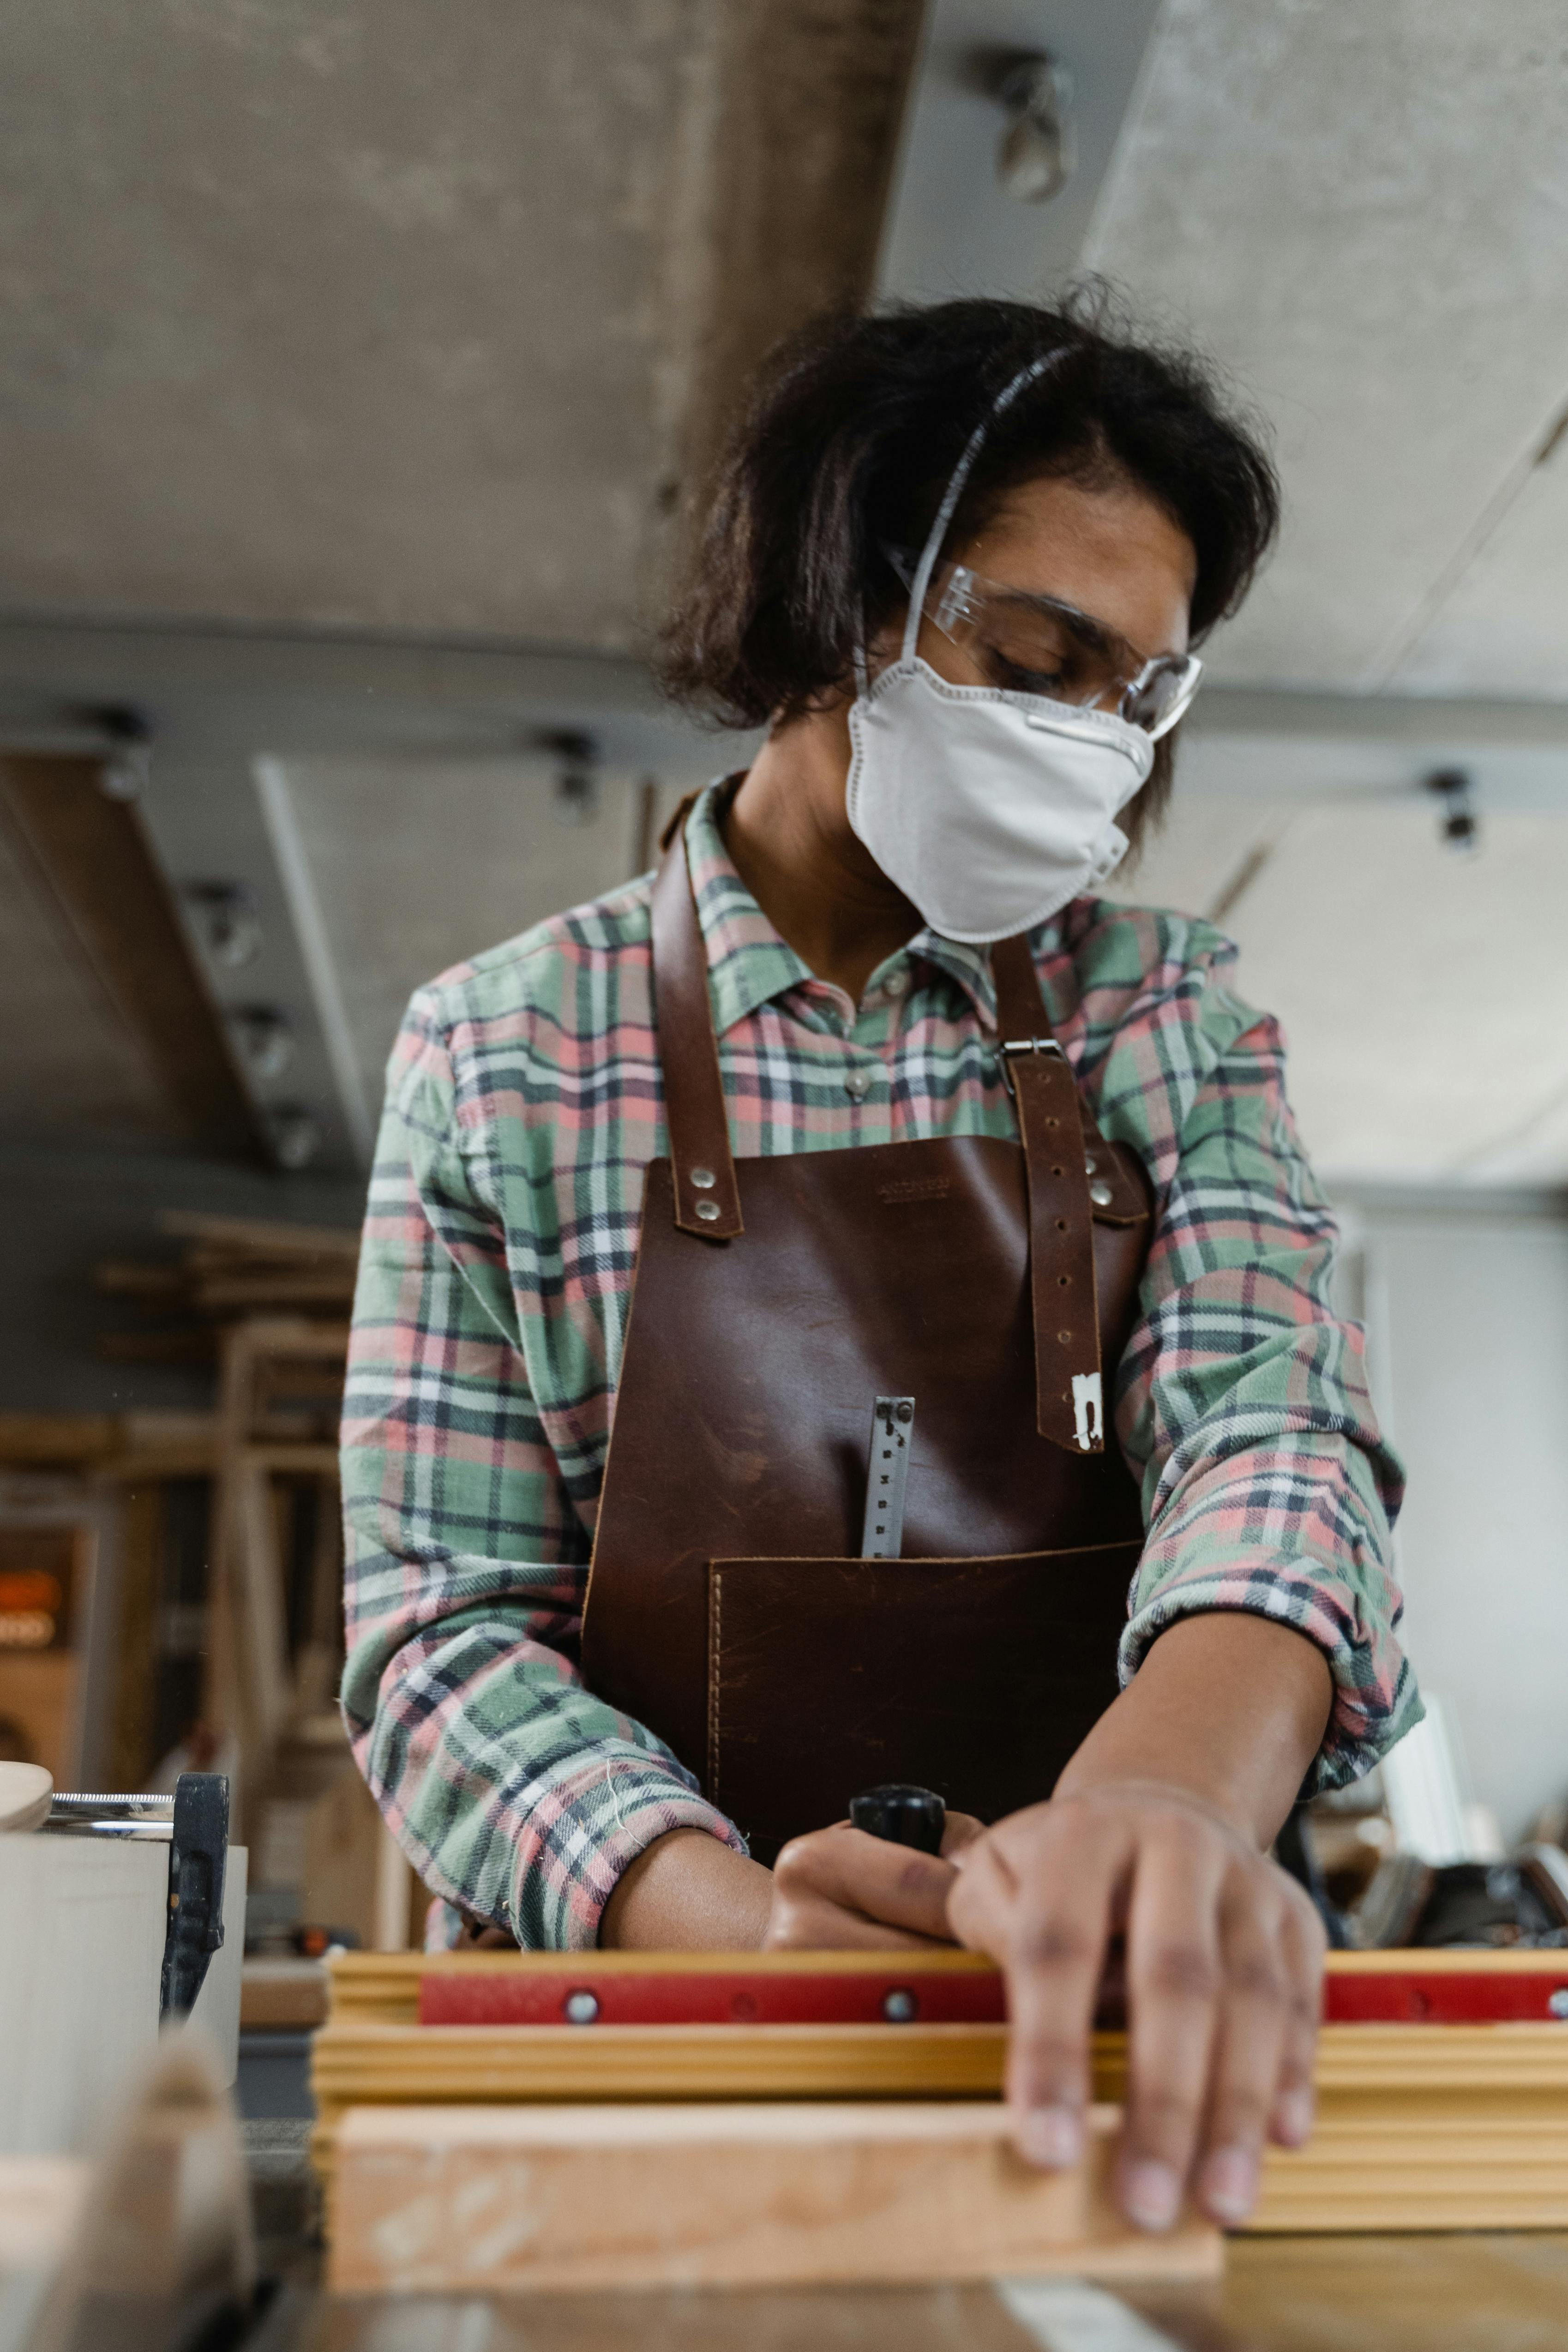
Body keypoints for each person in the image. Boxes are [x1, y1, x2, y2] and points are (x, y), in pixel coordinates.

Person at [341, 297, 1415, 2235]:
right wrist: (742, 1923)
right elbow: (439, 1634)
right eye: (1036, 657)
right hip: (677, 2039)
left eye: (1140, 692)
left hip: (1117, 2037)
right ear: (847, 604)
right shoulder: (505, 1052)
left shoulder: (1160, 1017)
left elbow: (1275, 1445)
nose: (1089, 741)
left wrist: (1158, 1811)